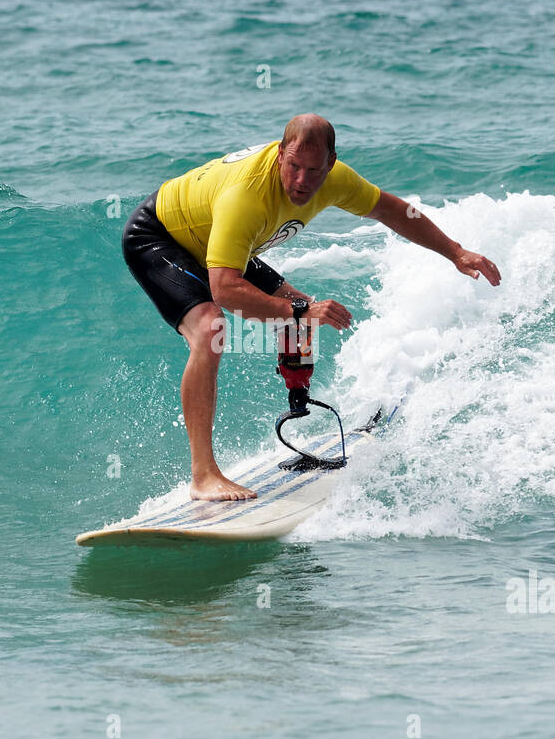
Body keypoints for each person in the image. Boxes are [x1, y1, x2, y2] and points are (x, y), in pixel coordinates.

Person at [122, 114, 501, 501]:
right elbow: (225, 291)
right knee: (210, 328)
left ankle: (298, 397)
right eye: (294, 167)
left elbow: (393, 211)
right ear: (279, 155)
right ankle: (203, 475)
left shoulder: (336, 180)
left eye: (314, 170)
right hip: (159, 235)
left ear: (331, 164)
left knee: (296, 309)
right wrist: (301, 312)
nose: (302, 181)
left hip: (212, 241)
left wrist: (456, 252)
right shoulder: (246, 196)